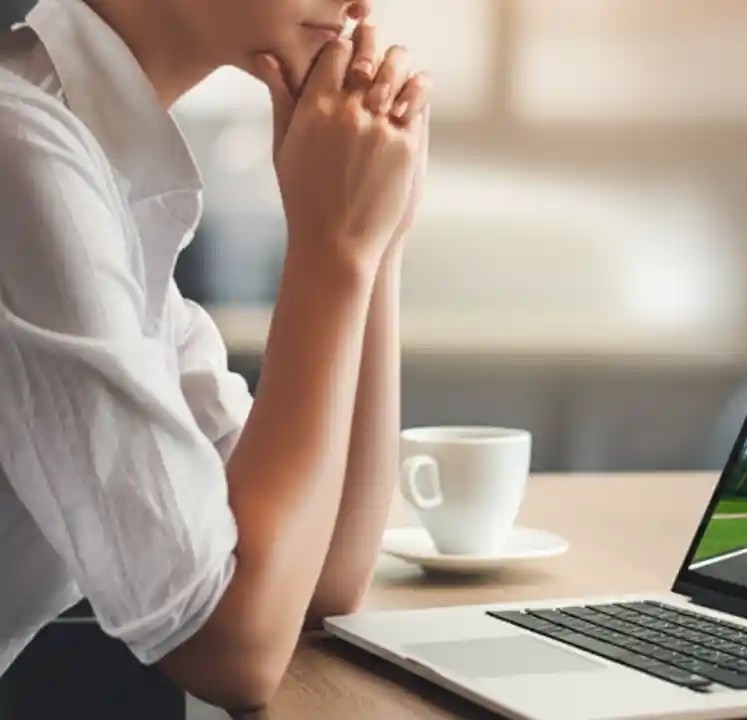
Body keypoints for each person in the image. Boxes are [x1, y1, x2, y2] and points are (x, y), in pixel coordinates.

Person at [0, 0, 430, 710]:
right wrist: (333, 249)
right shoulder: (23, 155)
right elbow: (232, 651)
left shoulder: (94, 159)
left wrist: (377, 237)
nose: (360, 5)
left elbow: (322, 579)